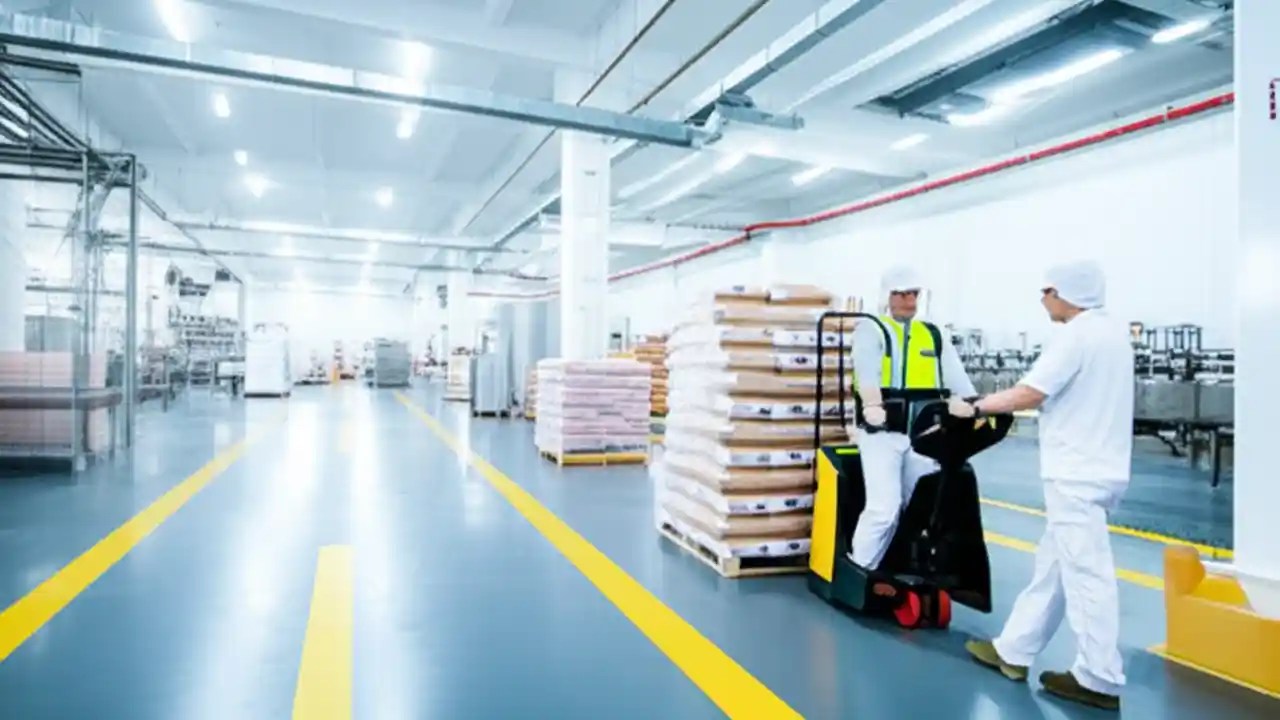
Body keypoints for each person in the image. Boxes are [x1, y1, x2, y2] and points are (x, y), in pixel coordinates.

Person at [948, 259, 1133, 712]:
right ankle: (1014, 649)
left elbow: (1032, 392)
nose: (1043, 298)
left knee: (1086, 573)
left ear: (1066, 293)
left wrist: (976, 407)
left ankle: (1098, 677)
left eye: (1047, 290)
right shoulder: (1114, 334)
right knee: (1054, 565)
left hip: (1075, 472)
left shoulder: (1076, 335)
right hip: (1102, 467)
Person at [847, 265, 976, 570]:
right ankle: (861, 570)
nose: (908, 300)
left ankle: (901, 565)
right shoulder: (871, 329)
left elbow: (957, 378)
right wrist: (871, 404)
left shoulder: (933, 334)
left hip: (922, 435)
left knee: (920, 506)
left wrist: (973, 405)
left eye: (913, 294)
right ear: (887, 297)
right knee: (883, 509)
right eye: (901, 294)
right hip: (882, 434)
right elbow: (866, 370)